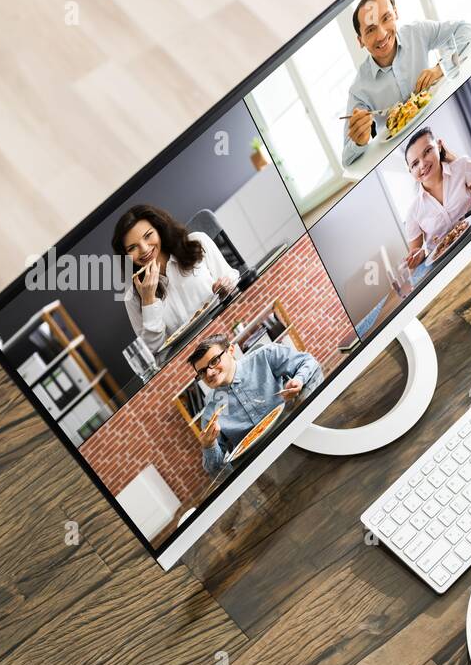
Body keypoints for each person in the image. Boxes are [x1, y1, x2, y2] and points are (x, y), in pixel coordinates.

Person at [341, 0, 471, 166]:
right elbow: (346, 160)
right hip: (406, 160)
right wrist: (359, 141)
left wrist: (440, 68)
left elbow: (465, 30)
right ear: (360, 40)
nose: (382, 35)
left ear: (395, 13)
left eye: (386, 18)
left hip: (446, 124)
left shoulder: (417, 32)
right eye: (370, 30)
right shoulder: (359, 90)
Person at [189, 334, 324, 476]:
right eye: (202, 372)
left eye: (214, 361)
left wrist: (298, 380)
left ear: (230, 350)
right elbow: (216, 470)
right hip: (266, 469)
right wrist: (208, 445)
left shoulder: (264, 355)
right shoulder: (210, 415)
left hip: (300, 432)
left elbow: (308, 362)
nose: (209, 372)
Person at [112, 204, 239, 354]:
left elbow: (233, 278)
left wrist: (226, 285)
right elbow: (154, 352)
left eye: (148, 236)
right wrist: (148, 300)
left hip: (228, 334)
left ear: (159, 229)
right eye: (133, 247)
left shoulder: (197, 242)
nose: (144, 249)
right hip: (189, 359)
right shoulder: (132, 296)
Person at [401, 128, 471, 271]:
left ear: (438, 146)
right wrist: (418, 256)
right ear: (410, 171)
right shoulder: (413, 212)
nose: (422, 165)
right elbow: (417, 255)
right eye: (415, 164)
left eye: (427, 151)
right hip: (445, 267)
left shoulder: (462, 166)